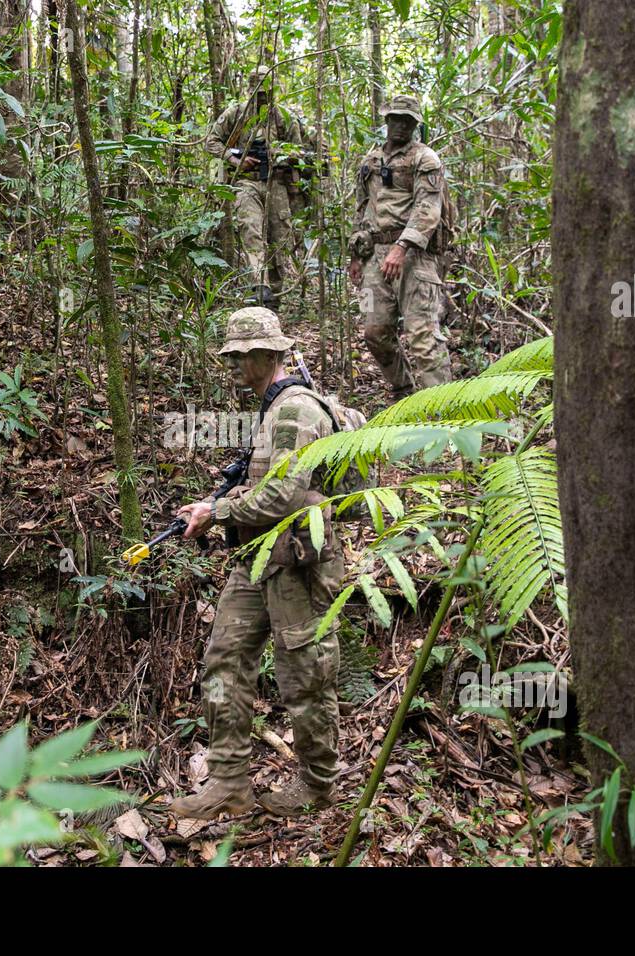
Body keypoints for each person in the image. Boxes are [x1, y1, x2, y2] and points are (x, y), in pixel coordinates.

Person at [170, 306, 343, 819]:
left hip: (297, 565)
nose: (234, 370)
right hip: (256, 557)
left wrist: (217, 510)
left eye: (239, 359)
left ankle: (318, 787)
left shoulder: (294, 410)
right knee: (225, 659)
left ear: (264, 355)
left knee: (306, 677)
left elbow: (288, 497)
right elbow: (270, 485)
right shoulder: (269, 409)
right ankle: (228, 784)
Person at [349, 94, 456, 398]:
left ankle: (442, 407)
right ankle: (403, 391)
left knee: (423, 336)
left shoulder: (425, 159)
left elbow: (428, 208)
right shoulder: (370, 161)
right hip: (375, 257)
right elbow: (363, 208)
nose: (400, 126)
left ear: (415, 125)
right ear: (386, 120)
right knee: (374, 333)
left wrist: (402, 247)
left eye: (407, 121)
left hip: (415, 258)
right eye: (395, 119)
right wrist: (356, 255)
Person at [205, 66, 309, 308]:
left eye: (265, 93)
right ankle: (260, 287)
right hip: (246, 182)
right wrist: (234, 159)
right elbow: (211, 141)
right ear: (250, 91)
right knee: (250, 228)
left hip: (277, 183)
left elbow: (300, 151)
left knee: (280, 235)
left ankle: (276, 295)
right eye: (258, 93)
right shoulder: (237, 114)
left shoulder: (284, 117)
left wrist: (279, 155)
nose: (262, 98)